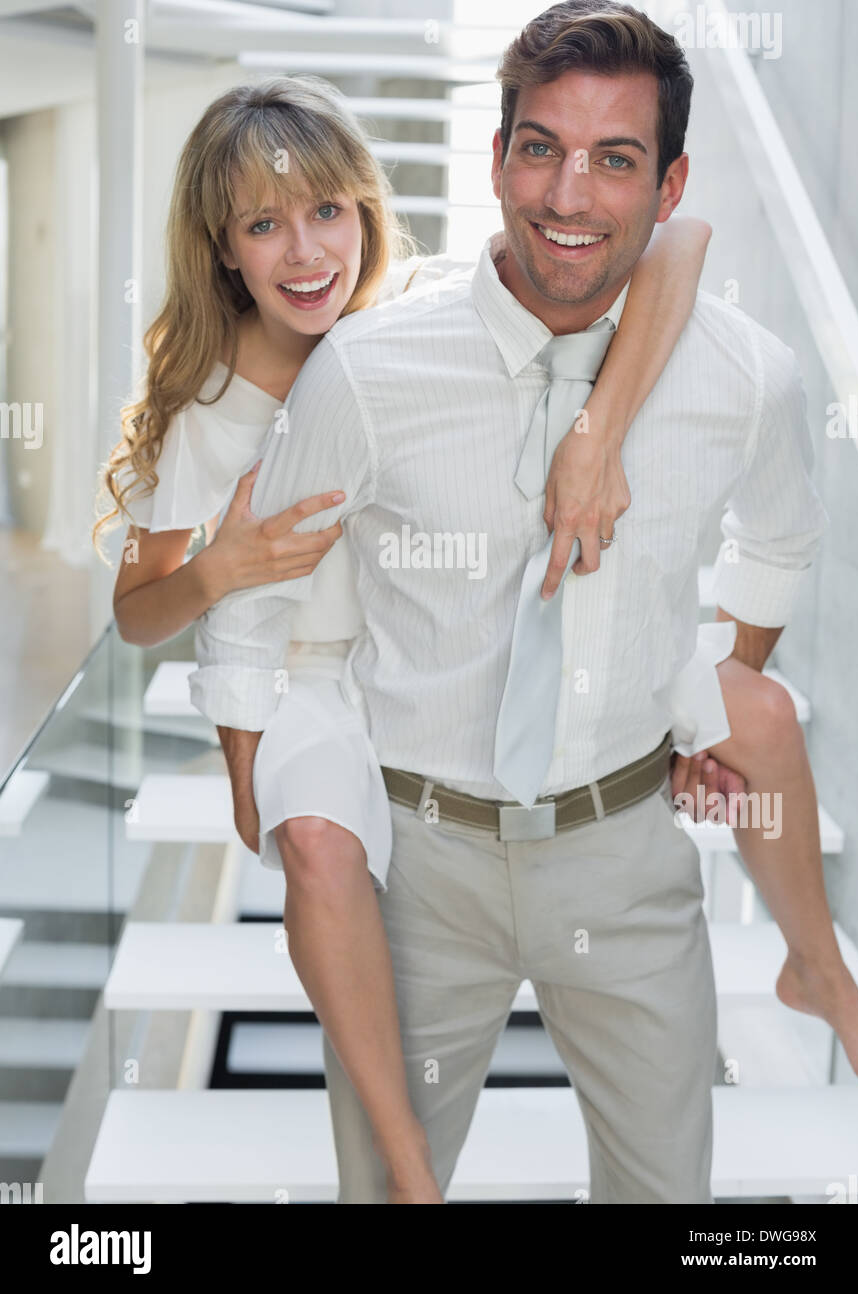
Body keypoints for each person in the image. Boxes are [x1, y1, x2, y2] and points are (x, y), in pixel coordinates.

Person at [188, 0, 855, 1204]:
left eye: (615, 159)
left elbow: (782, 538)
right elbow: (248, 601)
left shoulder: (742, 374)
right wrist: (254, 793)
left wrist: (703, 695)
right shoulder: (368, 368)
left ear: (670, 181)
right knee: (386, 1195)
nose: (567, 194)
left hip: (624, 858)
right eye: (539, 147)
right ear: (495, 159)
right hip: (420, 864)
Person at [93, 74, 719, 1203]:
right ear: (223, 249)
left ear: (365, 213)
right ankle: (414, 1168)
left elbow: (679, 246)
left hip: (385, 680)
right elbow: (136, 611)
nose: (302, 251)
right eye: (264, 225)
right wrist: (223, 576)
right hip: (291, 692)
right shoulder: (207, 403)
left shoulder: (413, 318)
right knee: (324, 854)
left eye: (326, 212)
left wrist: (596, 430)